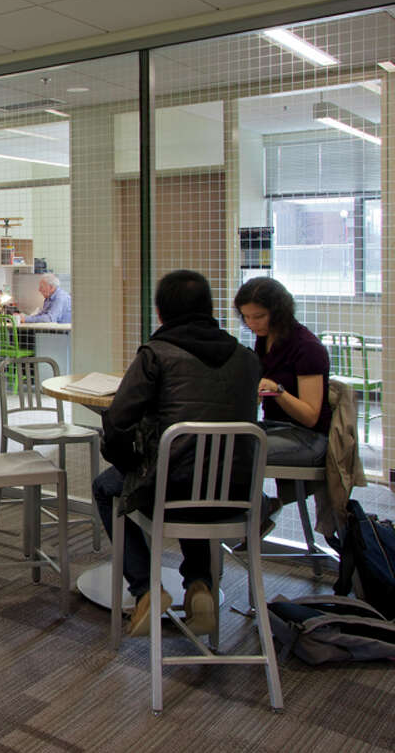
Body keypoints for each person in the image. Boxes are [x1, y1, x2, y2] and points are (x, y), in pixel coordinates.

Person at [93, 270, 261, 637]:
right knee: (198, 476)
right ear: (210, 308)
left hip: (172, 489)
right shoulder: (247, 358)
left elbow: (118, 423)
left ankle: (145, 590)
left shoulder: (156, 355)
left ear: (160, 312)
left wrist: (129, 465)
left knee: (107, 488)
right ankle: (199, 585)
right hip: (237, 494)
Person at [234, 276, 331, 521]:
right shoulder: (266, 339)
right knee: (223, 440)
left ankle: (257, 511)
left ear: (278, 312)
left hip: (309, 438)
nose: (251, 323)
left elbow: (310, 416)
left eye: (259, 316)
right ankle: (250, 512)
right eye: (246, 317)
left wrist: (278, 391)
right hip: (279, 428)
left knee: (236, 450)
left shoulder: (307, 347)